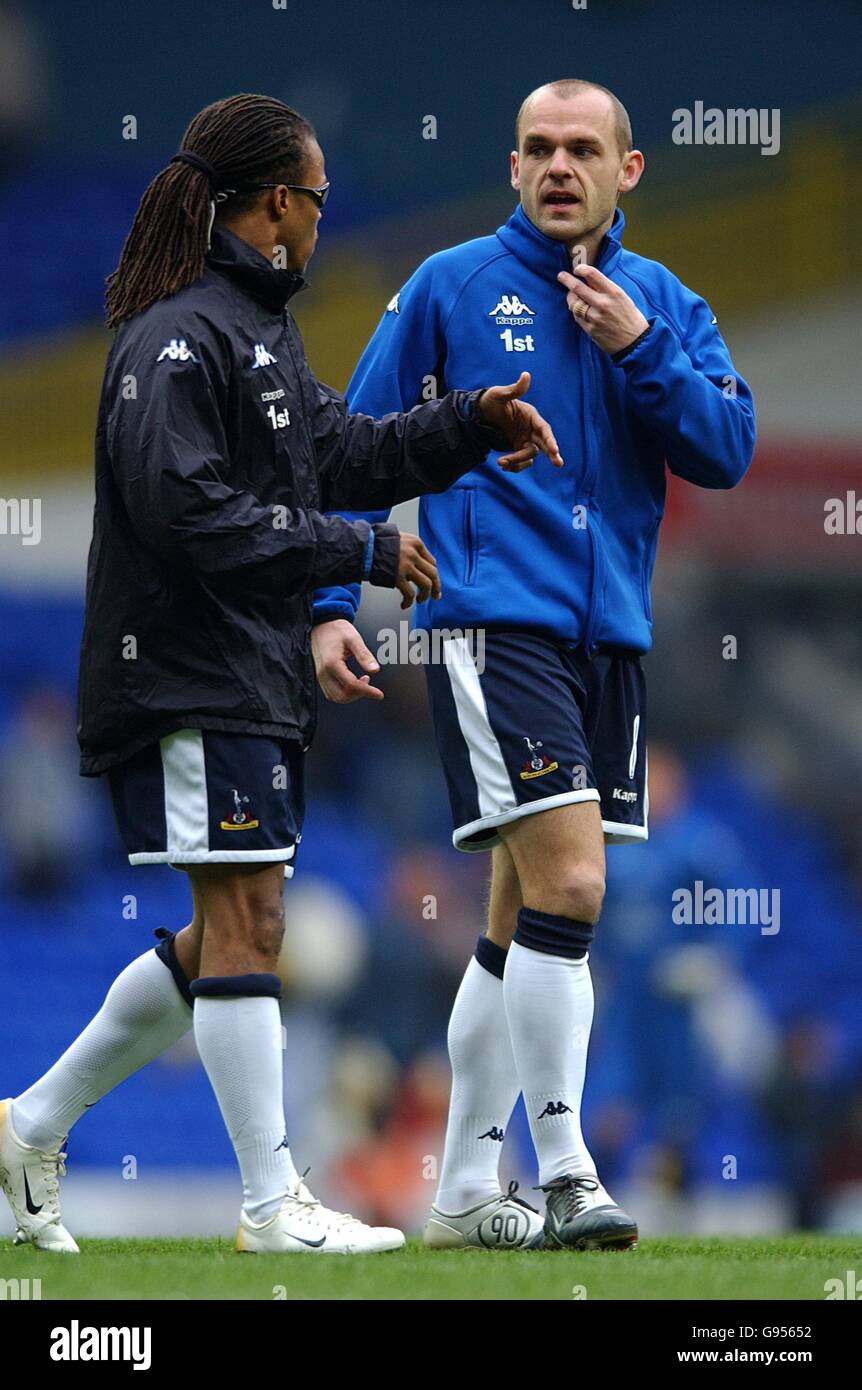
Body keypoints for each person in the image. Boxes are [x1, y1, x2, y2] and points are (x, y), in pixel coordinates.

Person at [0, 92, 563, 1256]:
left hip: (241, 673)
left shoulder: (251, 332)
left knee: (225, 936)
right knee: (251, 917)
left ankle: (30, 1125)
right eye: (314, 199)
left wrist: (465, 424)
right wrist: (352, 551)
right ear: (273, 205)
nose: (320, 219)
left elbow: (340, 452)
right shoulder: (176, 337)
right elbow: (187, 509)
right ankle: (272, 1205)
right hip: (185, 672)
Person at [311, 79, 755, 1250]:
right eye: (538, 149)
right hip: (491, 626)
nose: (559, 167)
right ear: (512, 166)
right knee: (570, 887)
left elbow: (725, 449)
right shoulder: (448, 284)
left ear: (629, 169)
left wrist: (641, 350)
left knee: (518, 924)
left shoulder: (661, 304)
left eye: (582, 149)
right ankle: (564, 1169)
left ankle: (459, 1188)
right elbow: (346, 452)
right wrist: (325, 604)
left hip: (611, 641)